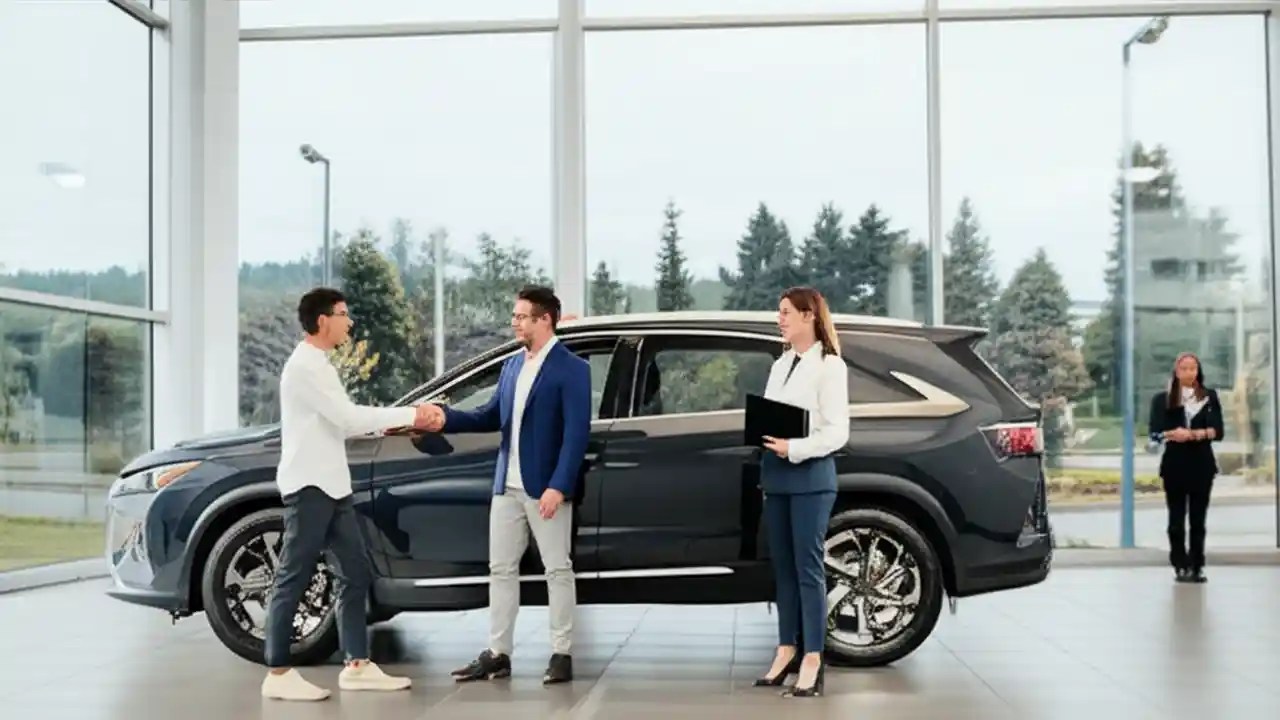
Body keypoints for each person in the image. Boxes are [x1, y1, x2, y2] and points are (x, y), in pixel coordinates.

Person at [261, 287, 433, 702]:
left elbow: (341, 422)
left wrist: (394, 424)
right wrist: (412, 414)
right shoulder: (304, 367)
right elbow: (347, 418)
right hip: (310, 488)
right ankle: (278, 671)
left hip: (333, 486)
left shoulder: (320, 365)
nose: (349, 321)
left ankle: (357, 664)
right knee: (293, 577)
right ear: (323, 321)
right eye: (342, 314)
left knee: (355, 573)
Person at [419, 286, 591, 685]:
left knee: (557, 570)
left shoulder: (572, 369)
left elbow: (576, 434)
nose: (515, 323)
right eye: (514, 316)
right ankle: (499, 653)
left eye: (521, 317)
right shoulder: (513, 366)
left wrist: (559, 486)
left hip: (545, 488)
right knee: (501, 570)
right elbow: (489, 415)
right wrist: (444, 418)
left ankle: (561, 653)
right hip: (506, 487)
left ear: (544, 319)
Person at [753, 286, 849, 698]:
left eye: (787, 312)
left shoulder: (830, 366)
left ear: (810, 316)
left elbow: (837, 432)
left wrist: (795, 448)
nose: (781, 318)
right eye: (780, 312)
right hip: (776, 476)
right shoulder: (781, 364)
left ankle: (813, 655)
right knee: (784, 568)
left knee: (809, 569)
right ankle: (786, 648)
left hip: (810, 477)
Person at [1148, 352, 1223, 584]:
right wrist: (1172, 434)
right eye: (1184, 369)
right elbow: (1155, 432)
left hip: (1202, 465)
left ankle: (1197, 565)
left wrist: (1192, 434)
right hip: (1175, 465)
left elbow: (1217, 431)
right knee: (1176, 519)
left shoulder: (1209, 397)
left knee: (1198, 521)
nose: (1189, 373)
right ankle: (1180, 563)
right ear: (1176, 371)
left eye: (1193, 368)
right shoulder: (1163, 399)